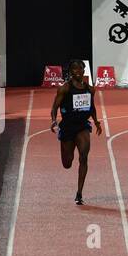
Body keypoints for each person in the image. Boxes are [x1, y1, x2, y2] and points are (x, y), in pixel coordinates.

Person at [50, 60, 102, 205]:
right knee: (67, 163)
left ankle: (79, 193)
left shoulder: (90, 89)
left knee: (84, 156)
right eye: (75, 69)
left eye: (80, 69)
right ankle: (66, 152)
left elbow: (91, 107)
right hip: (67, 127)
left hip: (82, 126)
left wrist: (96, 121)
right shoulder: (65, 89)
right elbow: (54, 107)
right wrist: (54, 120)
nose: (78, 71)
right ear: (70, 72)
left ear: (84, 70)